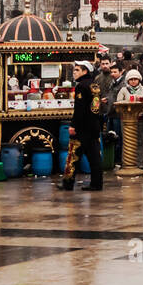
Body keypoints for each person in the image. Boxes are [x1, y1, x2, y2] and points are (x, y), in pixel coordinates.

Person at [58, 61, 104, 191]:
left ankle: (68, 183)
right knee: (95, 157)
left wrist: (73, 126)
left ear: (85, 72)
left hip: (82, 128)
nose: (74, 73)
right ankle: (96, 184)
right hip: (94, 126)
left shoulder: (81, 86)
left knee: (73, 155)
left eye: (77, 70)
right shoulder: (94, 85)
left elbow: (80, 109)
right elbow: (96, 107)